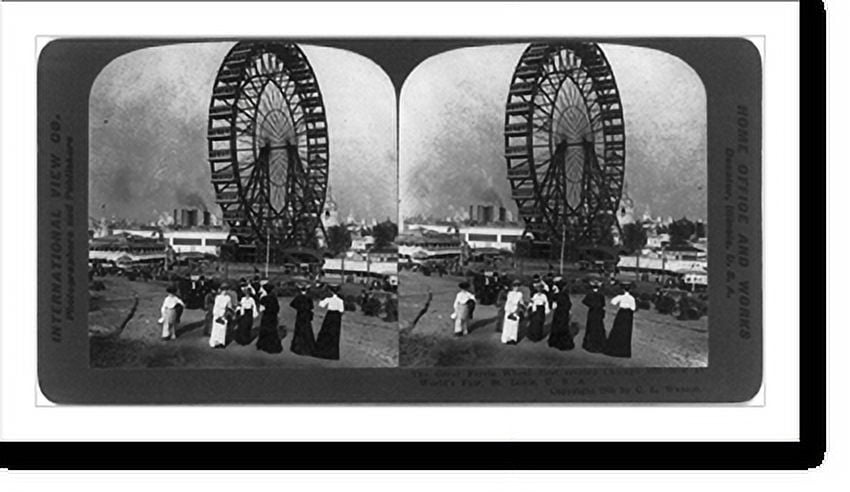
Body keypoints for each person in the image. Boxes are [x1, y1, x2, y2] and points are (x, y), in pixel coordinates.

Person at [605, 283, 637, 357]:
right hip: (628, 314)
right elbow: (633, 308)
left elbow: (613, 302)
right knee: (626, 331)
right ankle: (623, 351)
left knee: (617, 329)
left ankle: (613, 349)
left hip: (621, 313)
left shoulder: (620, 297)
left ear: (623, 290)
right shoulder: (632, 298)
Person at [314, 285, 345, 360]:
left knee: (325, 332)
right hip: (336, 317)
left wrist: (322, 298)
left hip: (330, 315)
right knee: (334, 334)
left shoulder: (328, 299)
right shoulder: (340, 301)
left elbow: (321, 305)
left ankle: (321, 351)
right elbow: (341, 310)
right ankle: (332, 353)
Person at [289, 285, 316, 356]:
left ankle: (298, 347)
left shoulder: (298, 297)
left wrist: (299, 308)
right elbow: (311, 307)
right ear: (306, 291)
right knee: (307, 330)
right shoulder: (309, 298)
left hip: (300, 315)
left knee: (299, 330)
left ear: (301, 291)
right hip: (306, 315)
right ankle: (309, 348)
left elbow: (292, 304)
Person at [548, 279, 575, 350]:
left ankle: (554, 342)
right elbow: (569, 304)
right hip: (564, 313)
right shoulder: (566, 296)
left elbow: (553, 306)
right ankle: (563, 343)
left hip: (558, 313)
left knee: (556, 326)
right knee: (564, 327)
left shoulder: (556, 296)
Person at [256, 283, 283, 354]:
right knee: (272, 330)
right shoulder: (274, 299)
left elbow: (261, 309)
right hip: (273, 316)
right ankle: (272, 345)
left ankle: (263, 344)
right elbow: (277, 308)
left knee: (264, 329)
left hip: (266, 316)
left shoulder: (264, 298)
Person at [581, 281, 607, 353]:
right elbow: (603, 304)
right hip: (598, 313)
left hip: (592, 312)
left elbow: (584, 302)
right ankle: (600, 344)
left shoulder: (589, 295)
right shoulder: (601, 295)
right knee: (599, 327)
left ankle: (589, 344)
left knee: (590, 326)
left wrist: (591, 305)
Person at [501, 280, 525, 344]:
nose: (516, 288)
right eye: (515, 286)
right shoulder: (509, 293)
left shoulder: (520, 294)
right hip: (509, 310)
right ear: (512, 287)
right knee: (508, 325)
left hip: (515, 310)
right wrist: (508, 310)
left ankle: (513, 339)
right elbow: (508, 302)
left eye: (517, 286)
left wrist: (524, 306)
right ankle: (507, 339)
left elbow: (521, 302)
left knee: (514, 325)